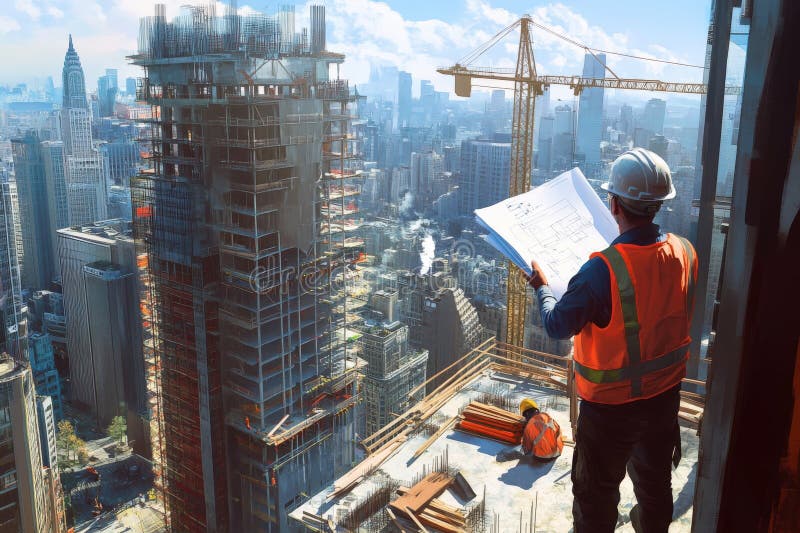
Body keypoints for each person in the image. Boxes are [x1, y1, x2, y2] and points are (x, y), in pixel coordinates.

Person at [526, 148, 698, 533]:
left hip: (610, 410)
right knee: (655, 486)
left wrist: (542, 288)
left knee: (596, 498)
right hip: (664, 399)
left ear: (614, 203)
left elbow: (556, 324)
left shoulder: (603, 270)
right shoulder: (685, 252)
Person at [495, 398, 563, 462]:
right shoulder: (548, 417)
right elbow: (559, 431)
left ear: (526, 414)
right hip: (558, 452)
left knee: (517, 450)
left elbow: (526, 449)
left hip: (542, 458)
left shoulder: (529, 426)